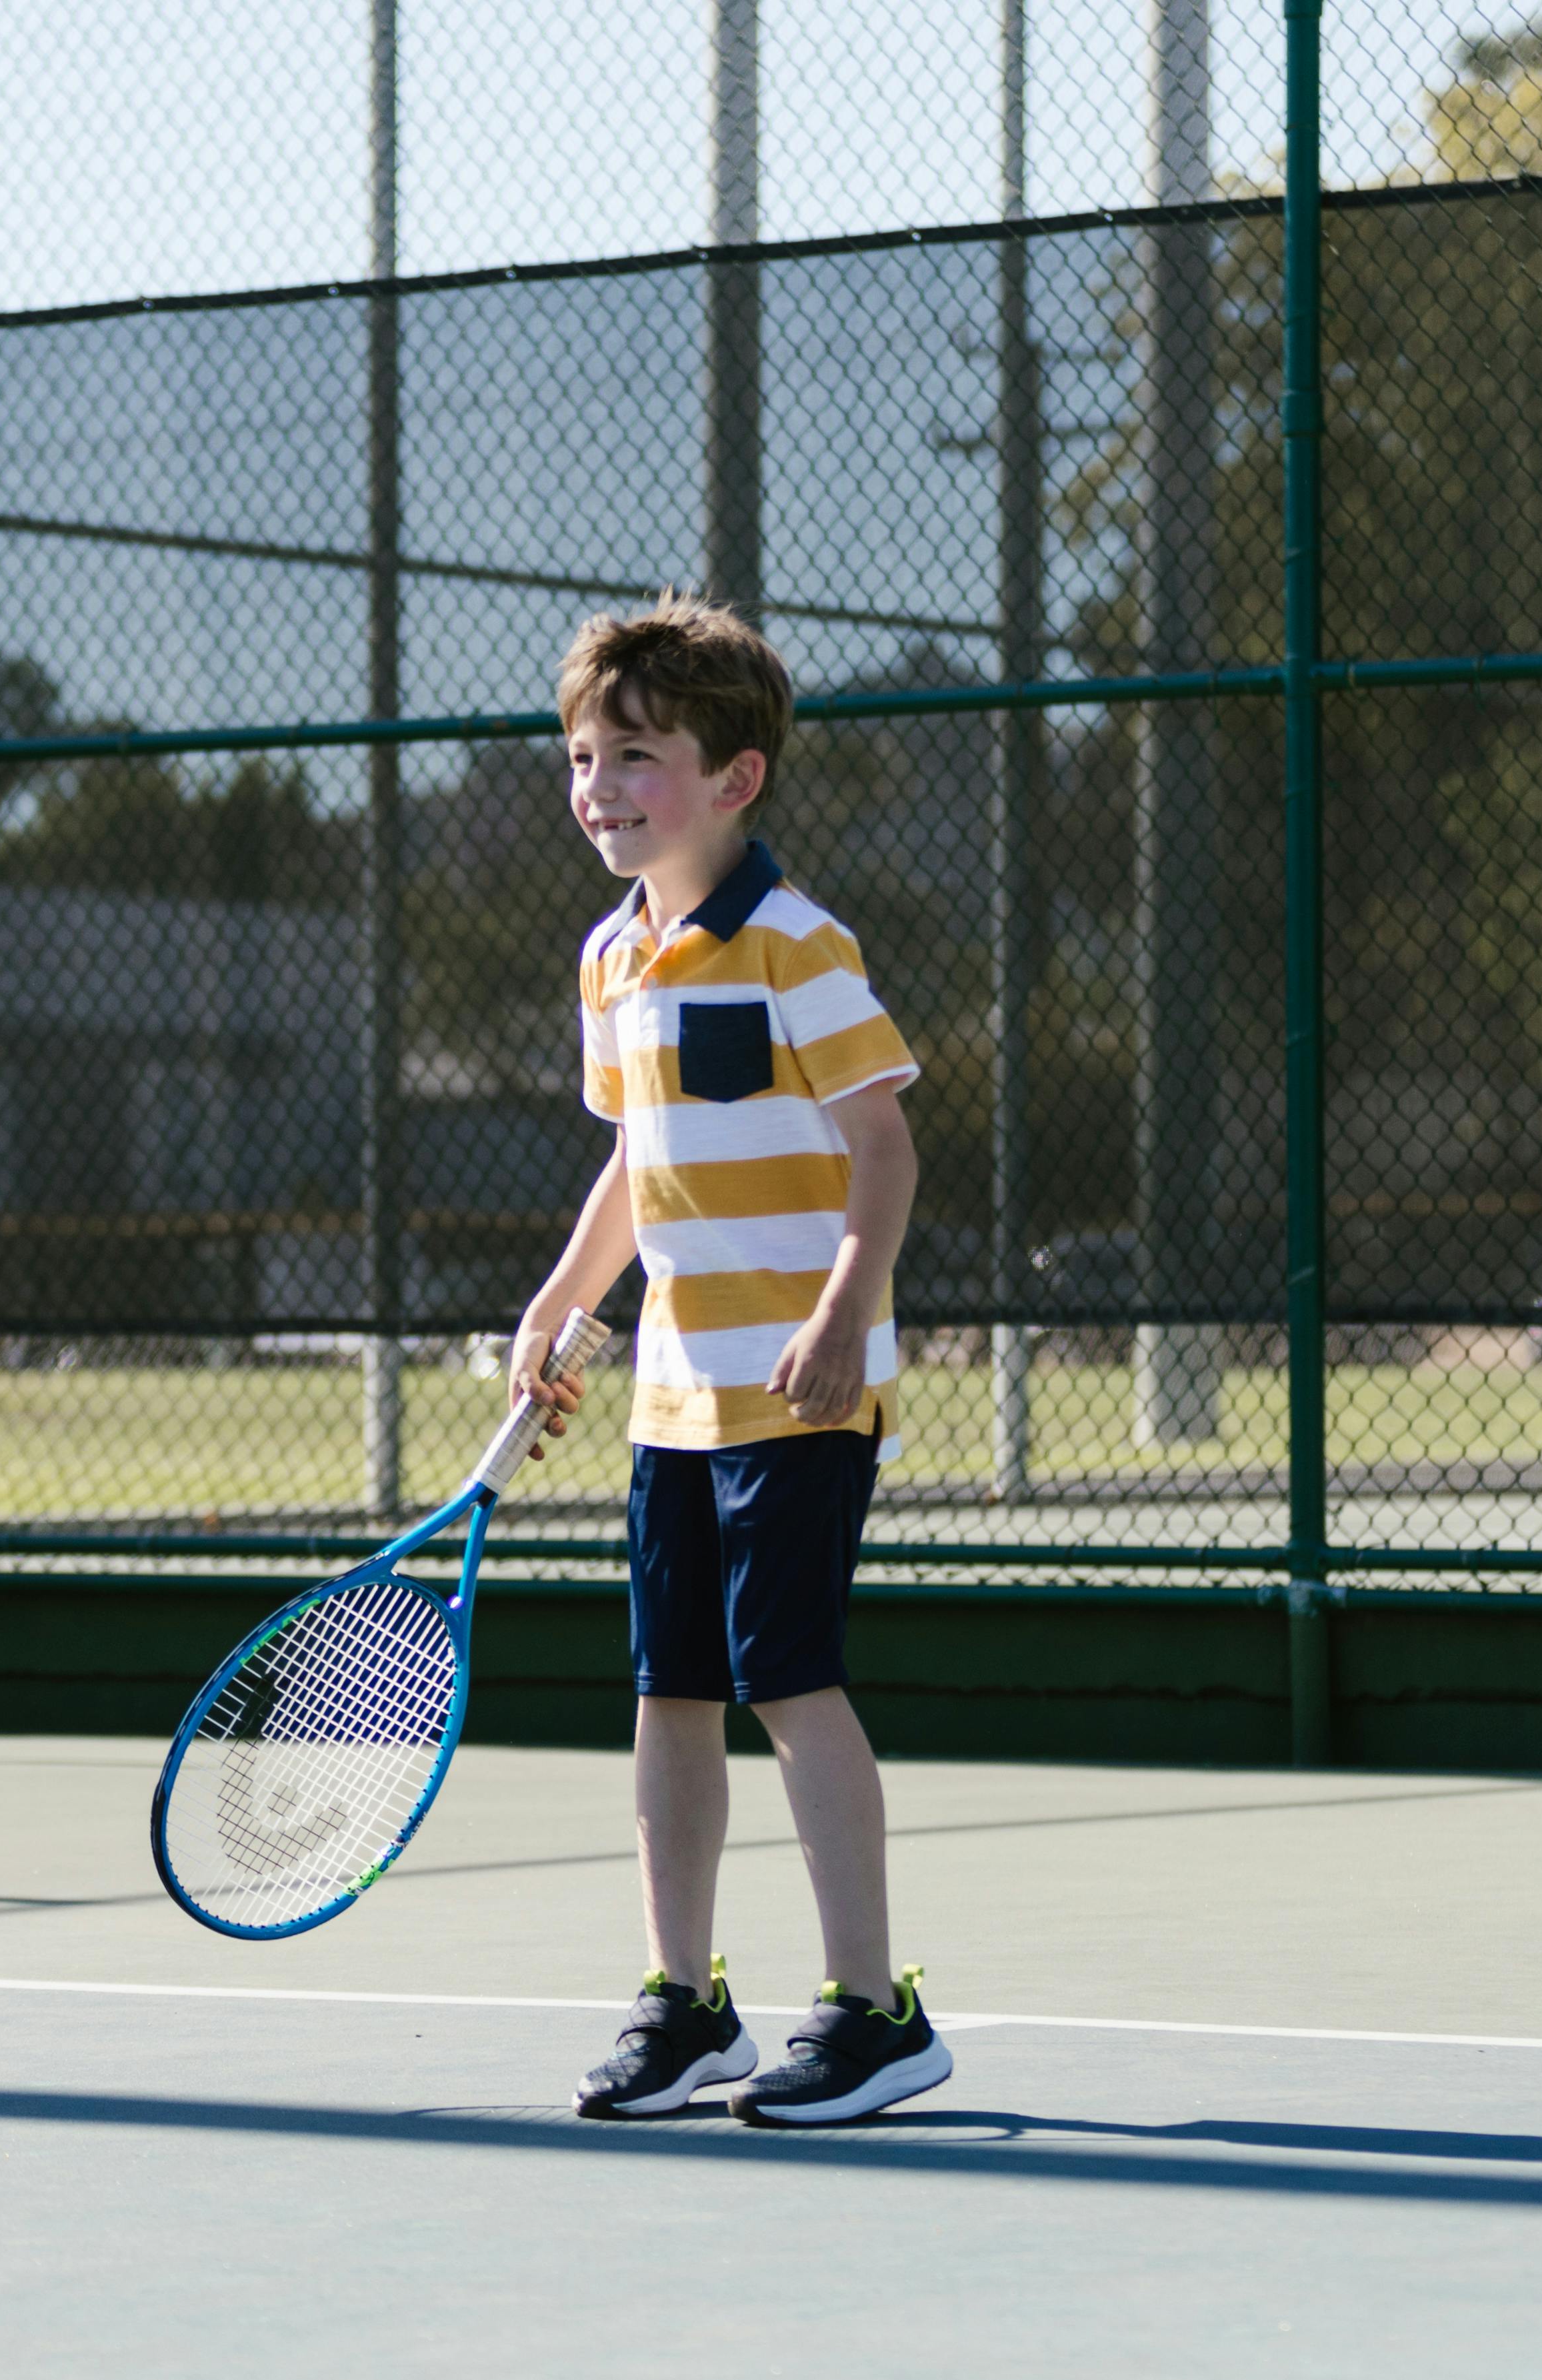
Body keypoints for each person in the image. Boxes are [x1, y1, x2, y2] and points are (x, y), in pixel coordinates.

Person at [505, 593, 949, 2128]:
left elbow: (880, 1146)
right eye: (579, 759)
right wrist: (563, 1305)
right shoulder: (613, 961)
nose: (598, 789)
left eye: (634, 756)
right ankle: (687, 2006)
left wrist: (841, 1310)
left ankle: (875, 2013)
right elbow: (639, 1165)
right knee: (669, 1690)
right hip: (676, 1394)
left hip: (804, 1386)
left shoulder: (795, 944)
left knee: (790, 1680)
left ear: (732, 778)